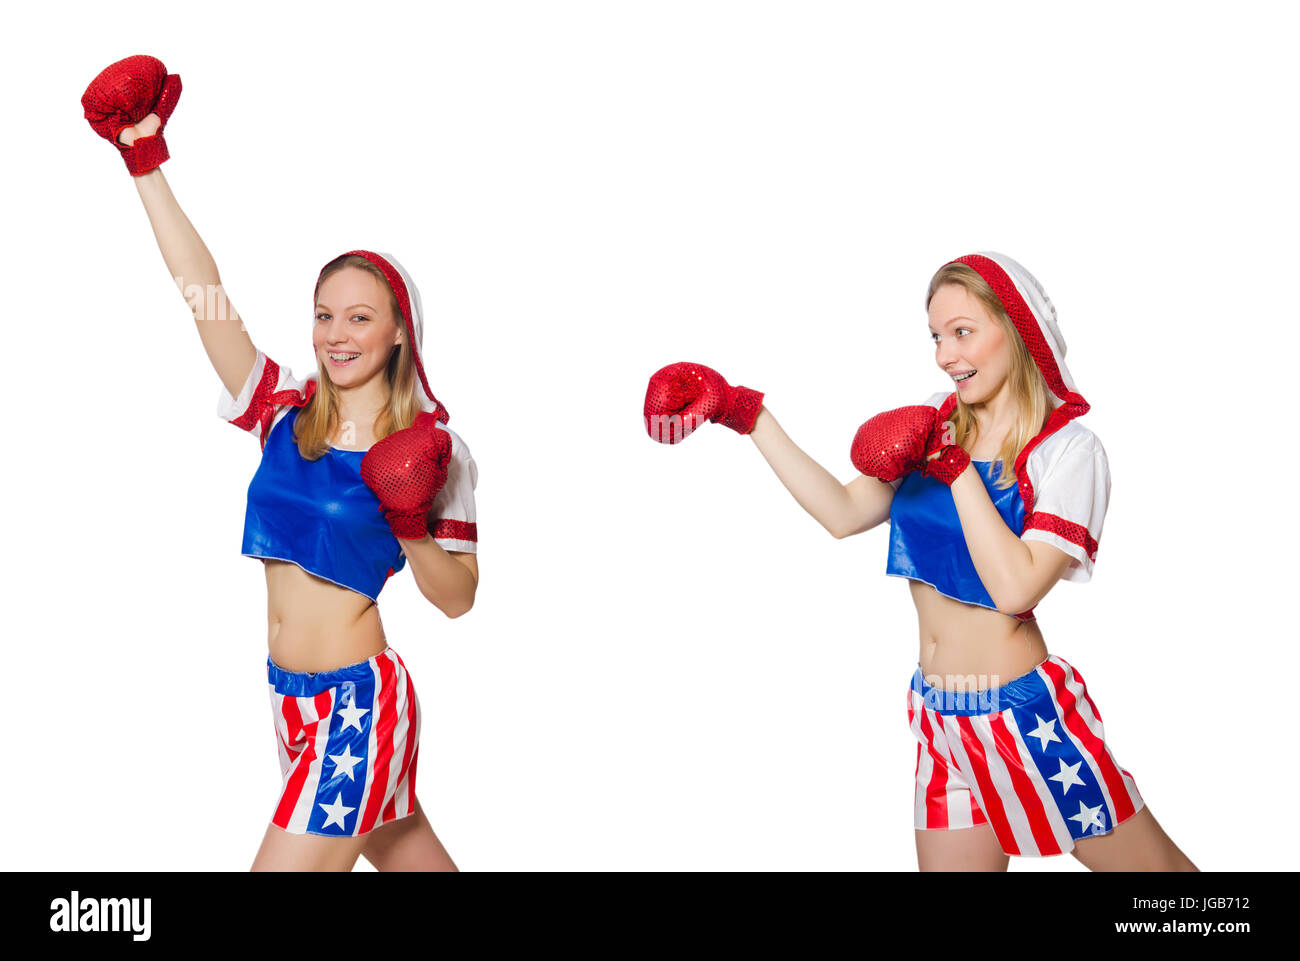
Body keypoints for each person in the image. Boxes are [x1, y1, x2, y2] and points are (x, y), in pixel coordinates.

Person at [642, 251, 1196, 871]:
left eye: (963, 332)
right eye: (936, 336)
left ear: (1016, 329)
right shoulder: (937, 415)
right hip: (939, 720)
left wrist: (956, 468)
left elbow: (1015, 588)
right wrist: (748, 415)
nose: (945, 355)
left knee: (1168, 888)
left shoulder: (1067, 450)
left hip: (1026, 721)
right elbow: (844, 513)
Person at [82, 55, 480, 872]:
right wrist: (144, 161)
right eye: (324, 314)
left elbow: (458, 599)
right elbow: (203, 292)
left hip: (360, 704)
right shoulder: (282, 410)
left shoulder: (436, 448)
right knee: (411, 856)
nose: (336, 334)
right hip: (285, 701)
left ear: (399, 331)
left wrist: (408, 522)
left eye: (359, 317)